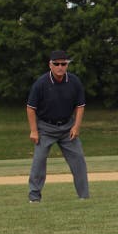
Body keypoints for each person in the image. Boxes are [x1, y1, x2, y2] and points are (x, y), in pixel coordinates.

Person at [26, 50, 90, 203]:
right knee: (39, 160)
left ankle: (84, 196)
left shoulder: (74, 81)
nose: (60, 67)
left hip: (68, 127)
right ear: (50, 65)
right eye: (56, 64)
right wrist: (34, 130)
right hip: (45, 128)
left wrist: (76, 127)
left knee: (78, 159)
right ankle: (34, 196)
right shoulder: (41, 83)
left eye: (63, 64)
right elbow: (30, 108)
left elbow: (80, 106)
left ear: (67, 65)